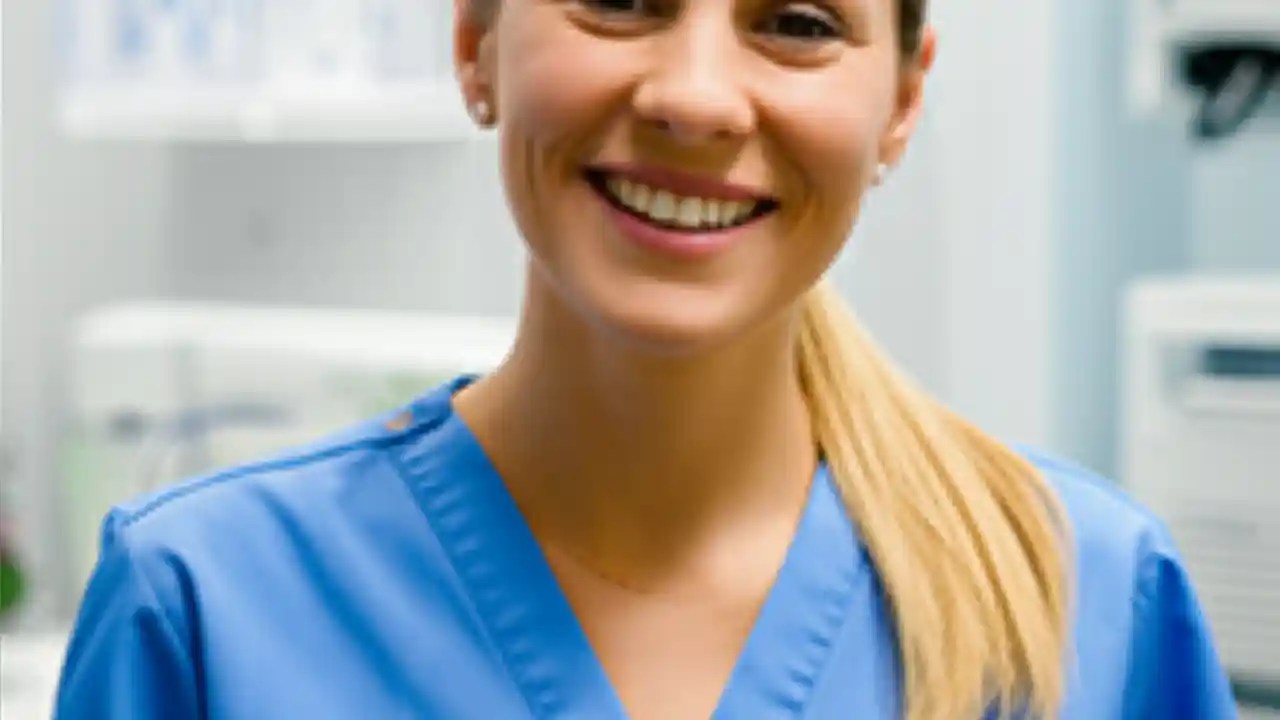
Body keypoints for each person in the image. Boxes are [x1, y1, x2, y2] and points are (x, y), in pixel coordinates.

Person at [55, 1, 1236, 718]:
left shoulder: (1084, 604)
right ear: (474, 44)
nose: (695, 98)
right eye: (619, 0)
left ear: (901, 99)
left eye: (798, 23)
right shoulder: (204, 610)